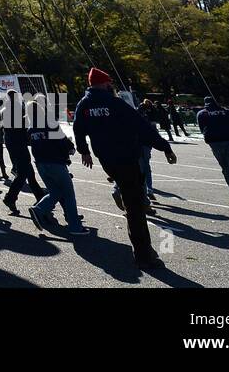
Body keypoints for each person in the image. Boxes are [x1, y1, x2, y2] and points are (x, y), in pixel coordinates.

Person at [73, 67, 176, 272]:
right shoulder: (115, 102)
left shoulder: (83, 105)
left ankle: (121, 193)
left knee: (132, 200)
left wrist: (84, 151)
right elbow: (142, 126)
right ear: (104, 84)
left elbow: (78, 128)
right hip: (126, 157)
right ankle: (143, 255)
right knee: (135, 208)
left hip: (107, 159)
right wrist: (164, 146)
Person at [25, 111, 91, 236]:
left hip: (40, 164)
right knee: (69, 194)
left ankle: (39, 210)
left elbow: (29, 142)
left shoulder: (30, 129)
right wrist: (69, 150)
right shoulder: (50, 124)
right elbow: (62, 141)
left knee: (55, 192)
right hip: (55, 163)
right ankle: (75, 226)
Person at [197, 96, 229, 206]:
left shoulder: (201, 113)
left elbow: (202, 128)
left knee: (226, 168)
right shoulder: (228, 112)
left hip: (214, 143)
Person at [1, 91, 45, 215]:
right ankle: (10, 197)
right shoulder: (15, 108)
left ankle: (40, 197)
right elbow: (22, 126)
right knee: (23, 173)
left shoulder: (5, 109)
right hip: (18, 143)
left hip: (12, 143)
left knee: (29, 173)